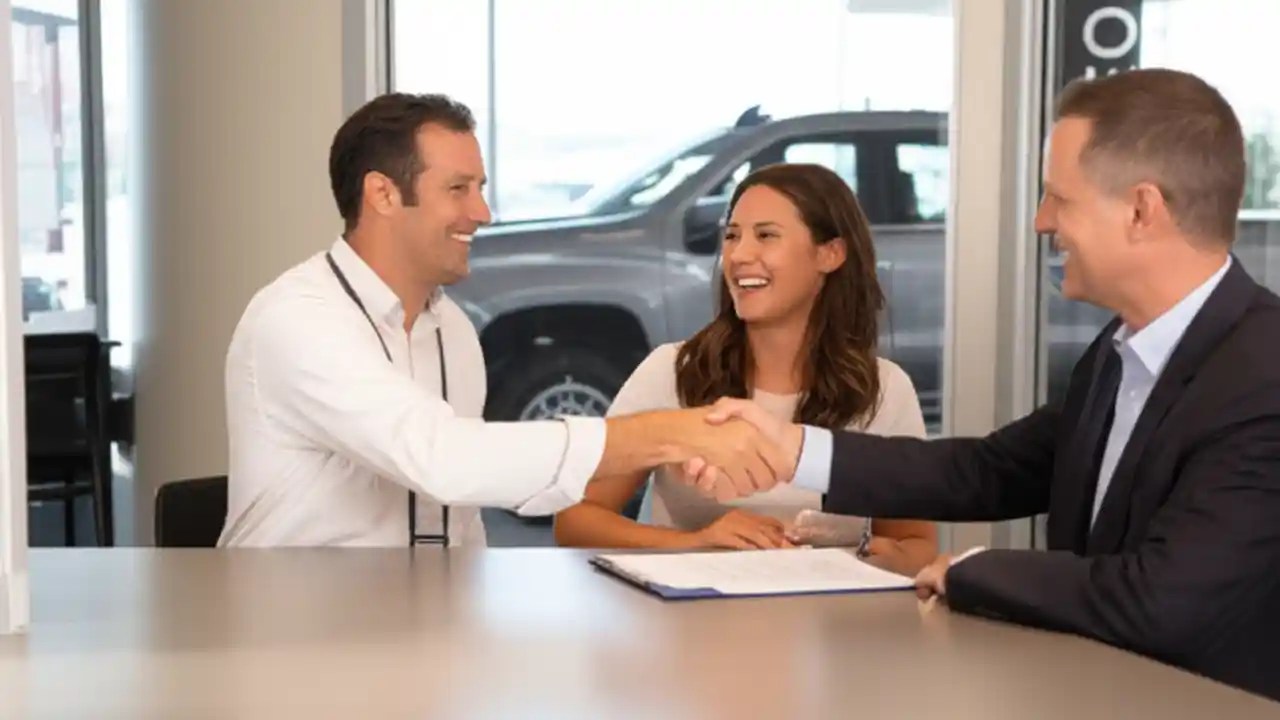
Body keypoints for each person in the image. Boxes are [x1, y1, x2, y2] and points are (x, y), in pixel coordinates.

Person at [686, 68, 1280, 701]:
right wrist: (793, 449)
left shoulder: (1263, 375)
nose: (1041, 223)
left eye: (1060, 199)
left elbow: (1161, 600)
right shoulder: (1119, 353)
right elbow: (988, 469)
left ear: (1141, 210)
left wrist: (972, 572)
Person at [219, 92, 791, 548]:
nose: (482, 213)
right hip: (296, 636)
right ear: (383, 195)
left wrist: (657, 462)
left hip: (422, 633)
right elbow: (441, 459)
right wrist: (666, 434)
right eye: (458, 190)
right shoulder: (298, 320)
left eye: (481, 188)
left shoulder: (453, 331)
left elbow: (469, 502)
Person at [553, 164, 936, 572]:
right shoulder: (672, 371)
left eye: (766, 235)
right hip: (691, 625)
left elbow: (914, 545)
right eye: (732, 235)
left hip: (827, 628)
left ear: (830, 253)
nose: (738, 255)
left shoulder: (885, 390)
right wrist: (694, 543)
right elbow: (576, 519)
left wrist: (849, 557)